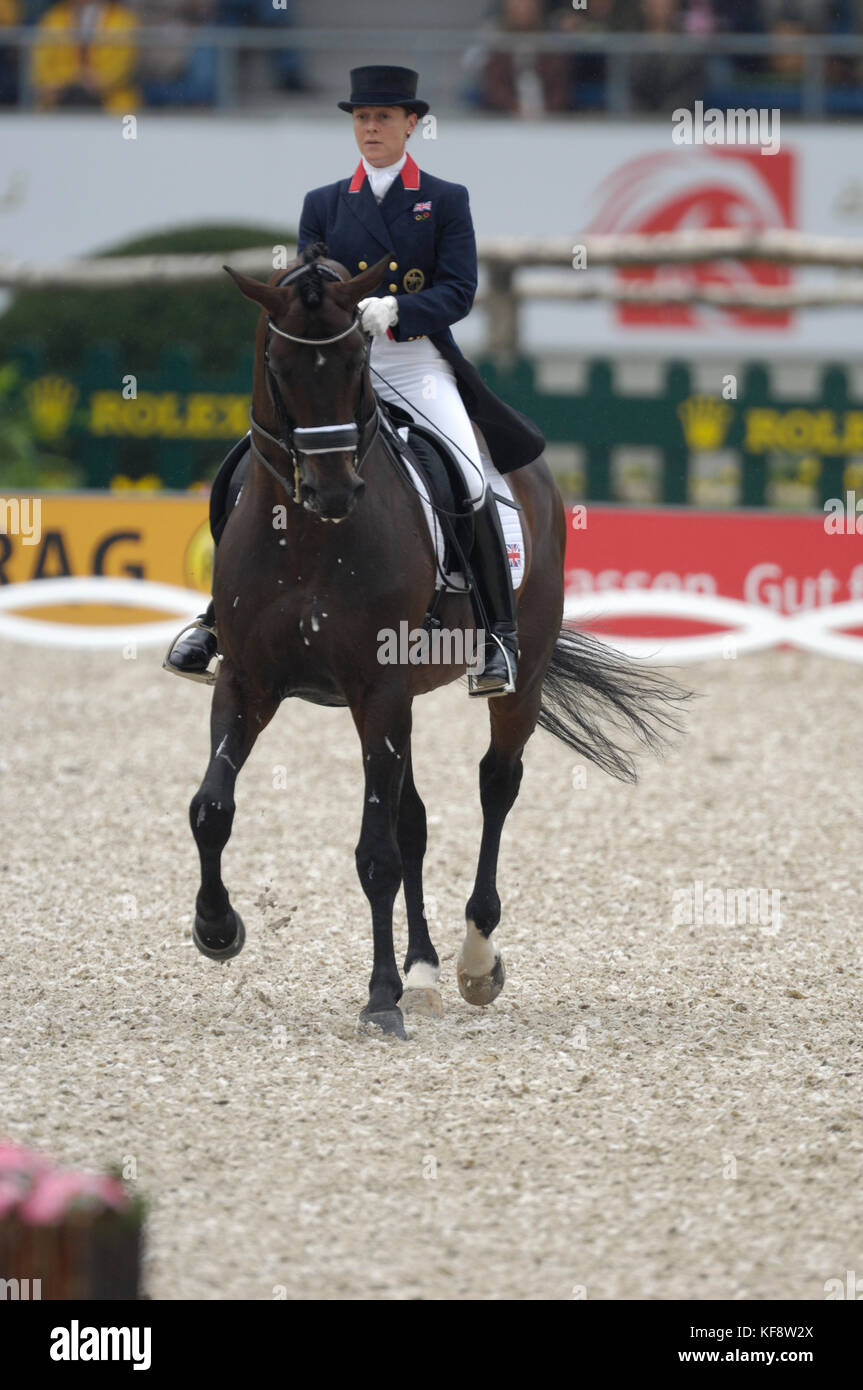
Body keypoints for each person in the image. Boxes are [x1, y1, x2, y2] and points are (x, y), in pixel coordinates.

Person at [165, 64, 546, 696]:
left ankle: (495, 636)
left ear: (411, 125)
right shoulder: (323, 203)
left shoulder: (445, 199)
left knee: (471, 479)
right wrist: (336, 315)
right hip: (339, 367)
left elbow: (460, 289)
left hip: (415, 361)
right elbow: (307, 288)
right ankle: (215, 620)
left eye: (384, 118)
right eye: (362, 118)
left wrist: (400, 310)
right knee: (244, 469)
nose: (371, 127)